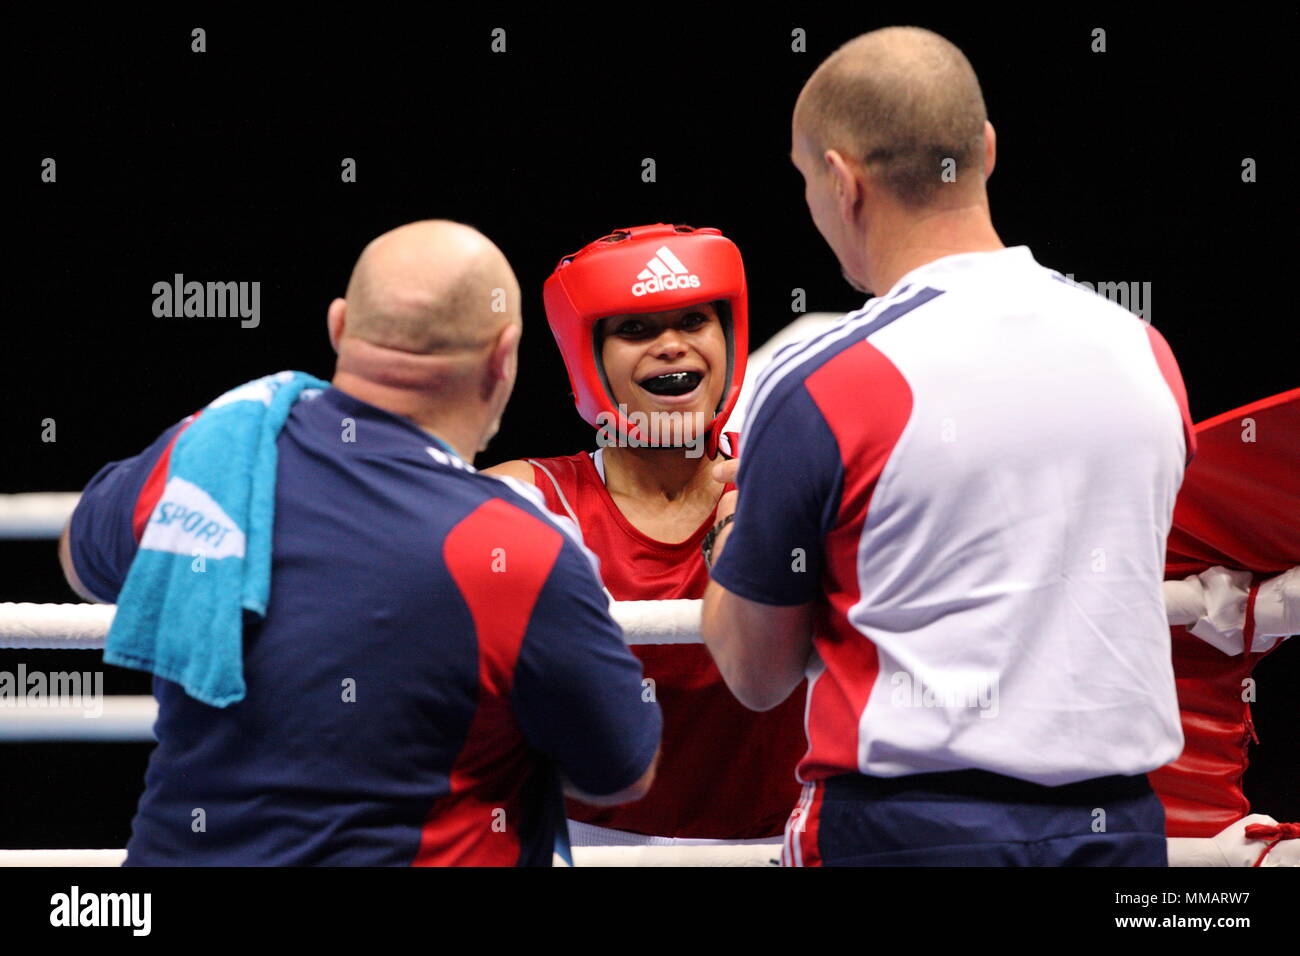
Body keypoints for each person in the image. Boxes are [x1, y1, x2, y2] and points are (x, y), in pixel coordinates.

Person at [700, 27, 1193, 866]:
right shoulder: (1146, 353)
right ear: (987, 151)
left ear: (840, 180)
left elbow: (756, 672)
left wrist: (730, 522)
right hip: (1122, 830)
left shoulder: (824, 379)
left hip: (907, 832)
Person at [59, 219, 660, 866]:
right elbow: (621, 772)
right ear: (503, 356)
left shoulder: (207, 455)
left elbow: (80, 560)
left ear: (340, 326)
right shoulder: (518, 550)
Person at [487, 223, 805, 844]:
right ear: (588, 356)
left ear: (729, 337)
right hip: (585, 846)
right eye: (635, 329)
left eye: (693, 322)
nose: (672, 347)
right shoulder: (528, 502)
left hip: (780, 846)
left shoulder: (794, 484)